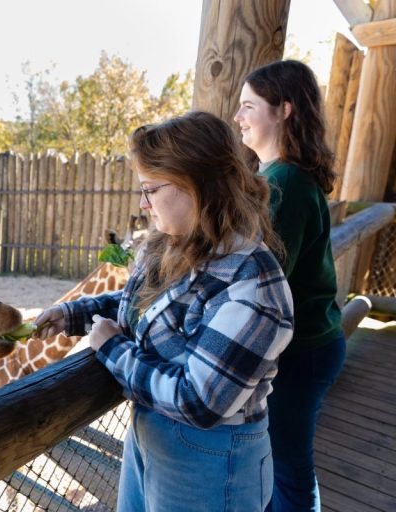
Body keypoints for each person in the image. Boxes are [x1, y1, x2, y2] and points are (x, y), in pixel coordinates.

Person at [36, 111, 294, 512]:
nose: (142, 203)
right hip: (150, 436)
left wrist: (112, 350)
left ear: (198, 187)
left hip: (210, 461)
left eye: (151, 189)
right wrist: (75, 315)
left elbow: (198, 401)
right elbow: (151, 309)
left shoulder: (255, 285)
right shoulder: (176, 245)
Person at [234, 59, 346, 512]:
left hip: (301, 353)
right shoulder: (283, 178)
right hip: (311, 346)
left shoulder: (282, 185)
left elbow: (261, 279)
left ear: (283, 110)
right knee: (284, 461)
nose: (238, 117)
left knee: (288, 465)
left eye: (248, 106)